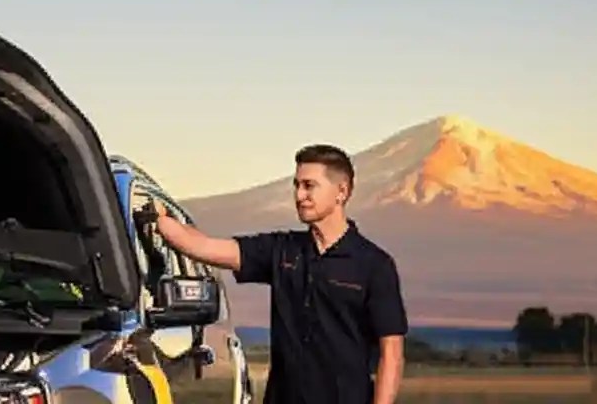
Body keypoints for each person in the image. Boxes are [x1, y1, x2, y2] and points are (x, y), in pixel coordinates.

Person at [140, 144, 407, 404]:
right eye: (297, 185)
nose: (299, 195)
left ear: (341, 191)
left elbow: (391, 354)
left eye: (309, 186)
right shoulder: (281, 249)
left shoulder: (374, 265)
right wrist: (160, 221)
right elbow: (206, 247)